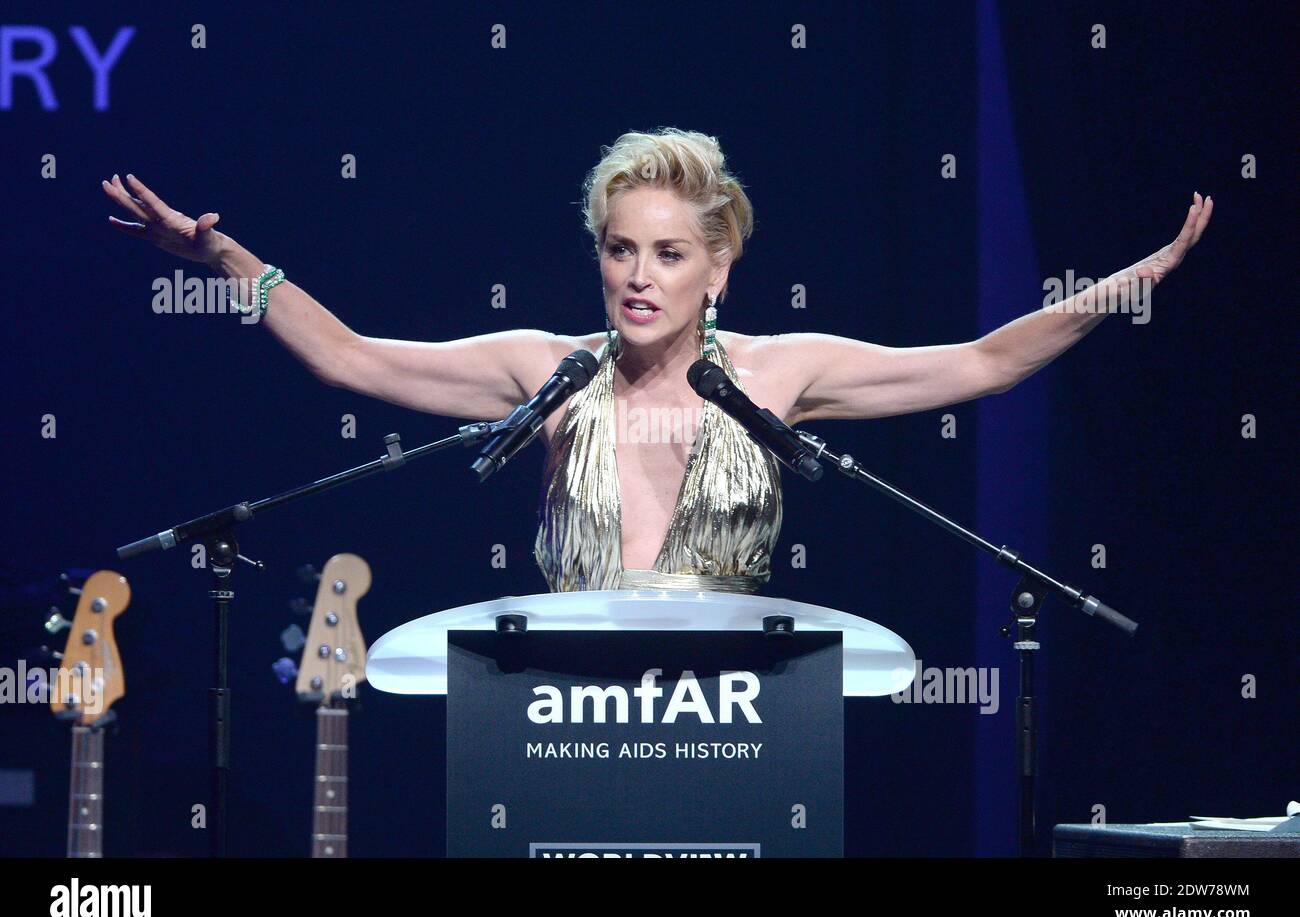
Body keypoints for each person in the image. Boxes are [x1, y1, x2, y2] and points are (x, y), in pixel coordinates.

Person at [102, 127, 1212, 594]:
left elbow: (976, 364)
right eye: (620, 249)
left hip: (737, 722)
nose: (640, 276)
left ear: (716, 267)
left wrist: (1114, 294)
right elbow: (346, 359)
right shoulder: (541, 370)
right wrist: (228, 261)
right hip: (560, 717)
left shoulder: (779, 374)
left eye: (670, 254)